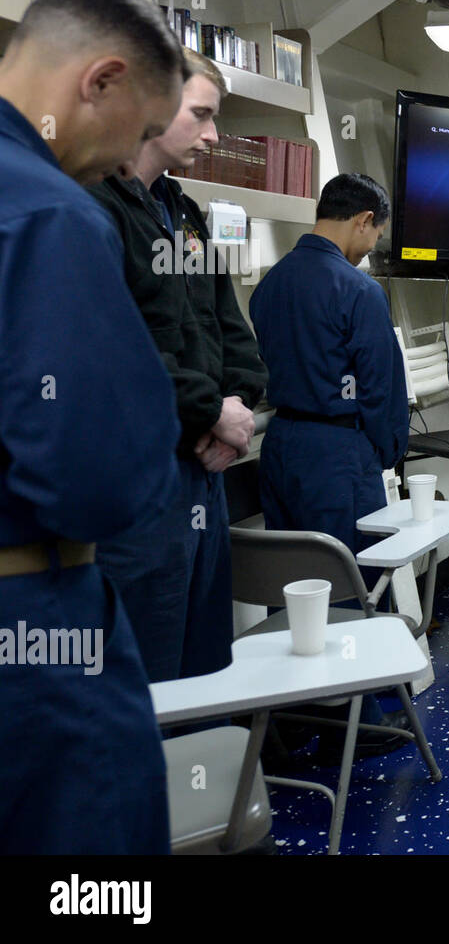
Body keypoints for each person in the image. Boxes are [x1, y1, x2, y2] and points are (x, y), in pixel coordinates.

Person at [0, 0, 187, 852]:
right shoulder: (52, 215)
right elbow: (95, 475)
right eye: (147, 131)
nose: (130, 160)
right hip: (33, 628)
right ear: (100, 80)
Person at [88, 48, 267, 685]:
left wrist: (236, 406)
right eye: (202, 115)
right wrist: (210, 411)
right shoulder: (94, 207)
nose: (215, 135)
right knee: (142, 671)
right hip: (140, 485)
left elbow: (230, 329)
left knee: (200, 663)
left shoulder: (183, 216)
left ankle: (195, 782)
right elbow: (111, 348)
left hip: (204, 474)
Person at [251, 173, 411, 756]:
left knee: (290, 583)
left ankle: (292, 716)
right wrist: (387, 451)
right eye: (375, 236)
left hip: (282, 445)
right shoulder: (359, 291)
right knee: (349, 580)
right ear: (363, 218)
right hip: (337, 453)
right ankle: (356, 721)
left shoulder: (269, 286)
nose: (371, 249)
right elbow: (382, 389)